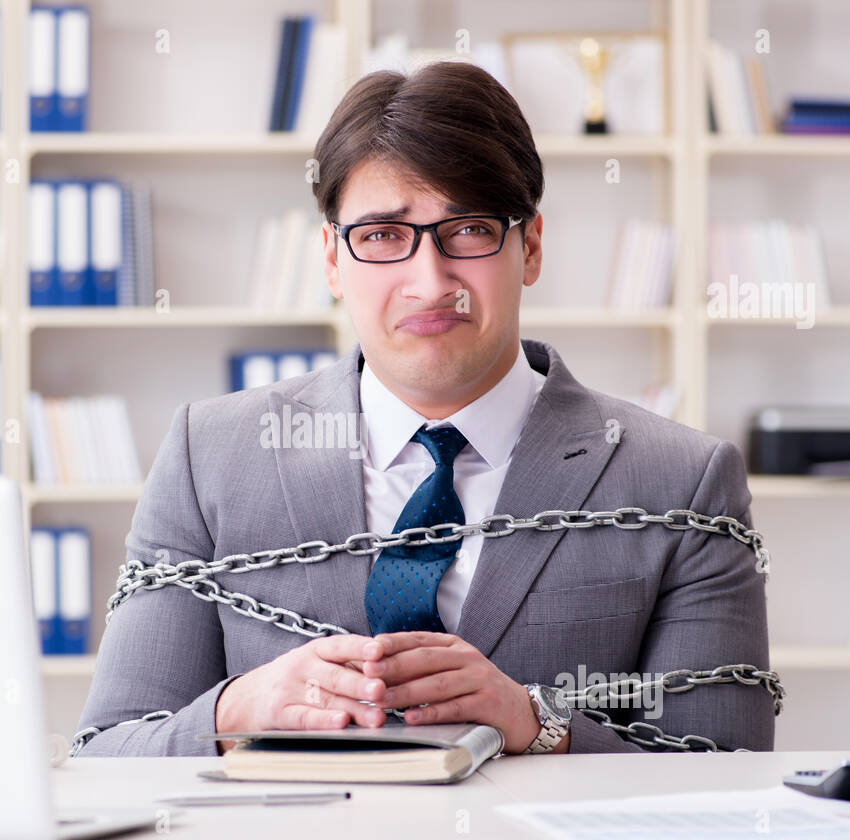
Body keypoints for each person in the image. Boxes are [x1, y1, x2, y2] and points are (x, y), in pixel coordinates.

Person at [73, 61, 773, 757]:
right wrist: (239, 708)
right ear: (331, 259)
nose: (429, 282)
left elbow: (726, 777)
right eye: (382, 235)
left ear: (528, 246)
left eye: (466, 230)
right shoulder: (210, 455)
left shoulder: (683, 480)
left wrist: (539, 726)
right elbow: (107, 752)